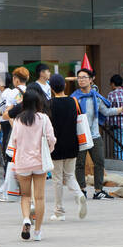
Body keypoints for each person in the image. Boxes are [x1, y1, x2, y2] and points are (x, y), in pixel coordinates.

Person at [74, 67, 123, 198]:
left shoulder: (96, 98)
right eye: (79, 78)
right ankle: (82, 190)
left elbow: (106, 112)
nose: (81, 80)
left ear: (91, 80)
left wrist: (122, 109)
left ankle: (98, 191)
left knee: (99, 162)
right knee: (79, 164)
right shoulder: (74, 98)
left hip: (94, 135)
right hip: (80, 136)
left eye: (84, 77)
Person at [10, 90, 56, 242]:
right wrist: (48, 150)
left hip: (22, 162)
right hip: (39, 162)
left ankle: (26, 218)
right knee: (40, 197)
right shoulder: (43, 118)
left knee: (25, 196)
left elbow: (14, 141)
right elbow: (51, 138)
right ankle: (37, 232)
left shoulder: (17, 120)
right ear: (38, 103)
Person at [48, 72, 87, 221]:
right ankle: (79, 195)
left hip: (56, 146)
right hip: (72, 144)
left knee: (57, 179)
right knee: (70, 175)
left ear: (51, 88)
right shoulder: (73, 101)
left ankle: (59, 212)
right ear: (65, 86)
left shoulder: (49, 104)